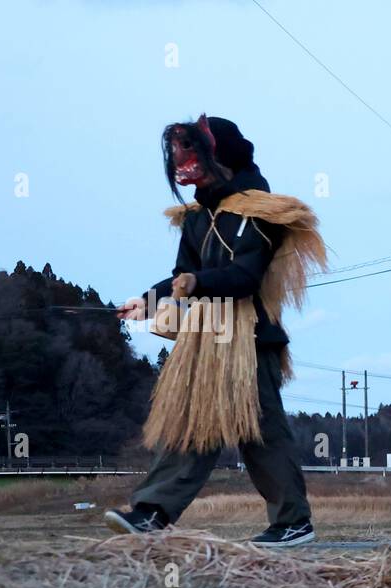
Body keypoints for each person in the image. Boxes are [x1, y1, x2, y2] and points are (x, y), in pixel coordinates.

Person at [105, 116, 325, 546]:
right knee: (192, 423)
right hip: (206, 338)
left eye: (192, 153)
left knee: (261, 433)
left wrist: (197, 283)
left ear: (219, 155)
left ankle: (293, 522)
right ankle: (152, 513)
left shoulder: (259, 212)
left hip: (250, 338)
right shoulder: (196, 219)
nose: (183, 164)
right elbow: (182, 276)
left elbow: (245, 276)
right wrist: (147, 301)